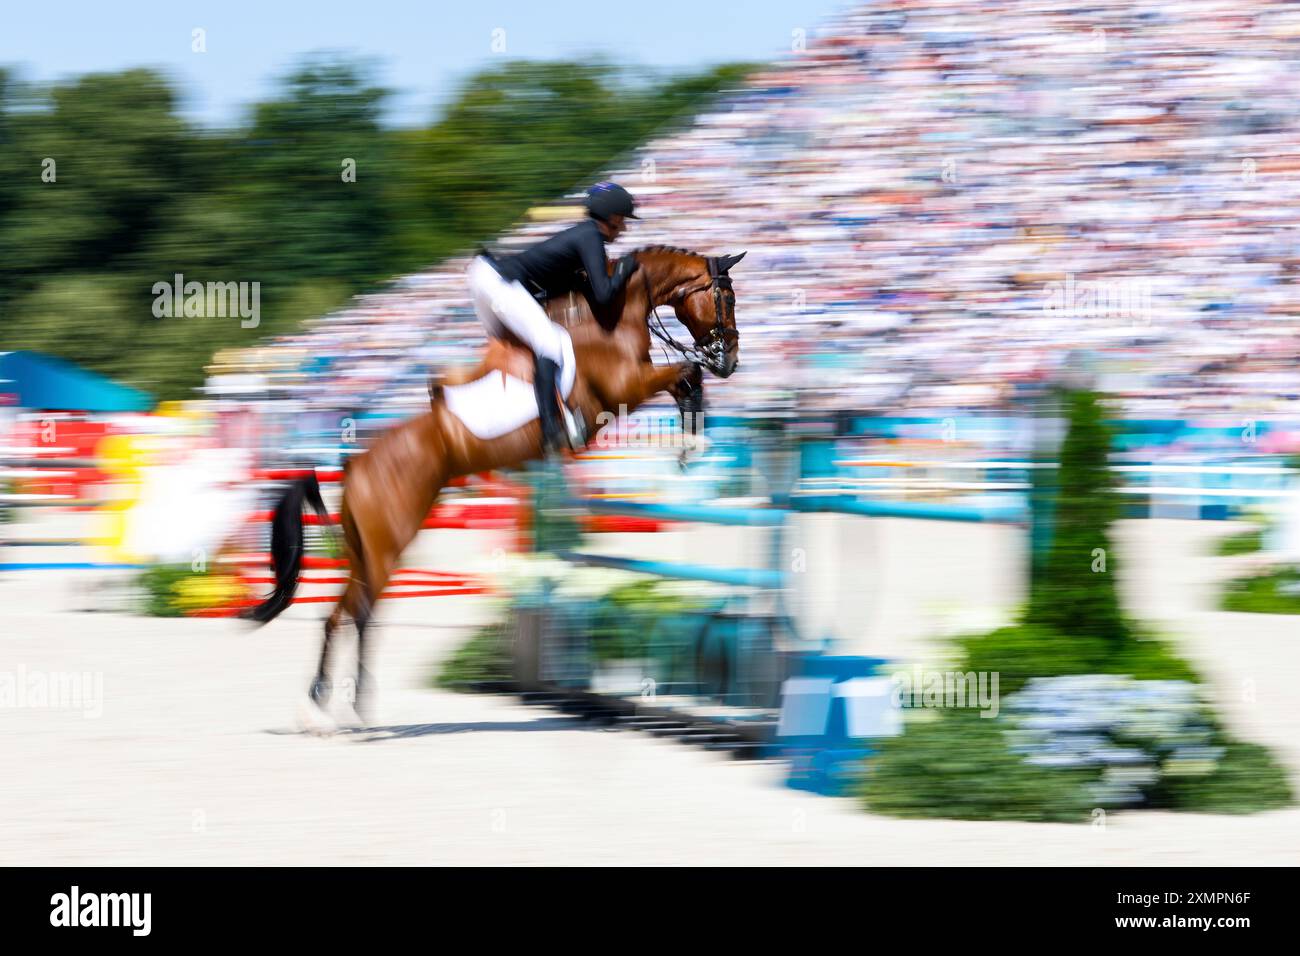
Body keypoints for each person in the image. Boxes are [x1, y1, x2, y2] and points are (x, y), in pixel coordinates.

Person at [467, 182, 641, 454]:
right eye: (623, 221)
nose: (624, 228)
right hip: (497, 281)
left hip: (484, 277)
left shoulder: (585, 237)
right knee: (548, 342)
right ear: (612, 217)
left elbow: (589, 292)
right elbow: (605, 294)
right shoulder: (590, 237)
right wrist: (625, 269)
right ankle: (550, 430)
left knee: (513, 349)